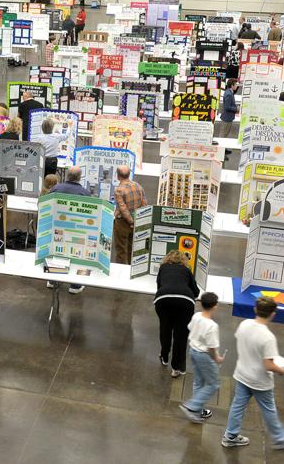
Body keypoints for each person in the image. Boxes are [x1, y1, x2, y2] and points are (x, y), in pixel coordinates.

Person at [222, 297, 284, 450]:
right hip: (260, 382)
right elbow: (268, 365)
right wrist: (282, 370)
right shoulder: (268, 337)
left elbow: (242, 341)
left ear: (255, 309)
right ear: (272, 314)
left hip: (242, 374)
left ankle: (230, 436)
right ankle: (281, 438)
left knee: (237, 406)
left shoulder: (244, 324)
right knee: (269, 410)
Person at [180, 292, 225, 423]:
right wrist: (217, 358)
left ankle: (197, 412)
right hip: (204, 356)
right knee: (213, 383)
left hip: (193, 351)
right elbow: (212, 348)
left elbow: (190, 328)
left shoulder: (196, 316)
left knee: (198, 382)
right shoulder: (212, 326)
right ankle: (192, 406)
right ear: (215, 306)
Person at [154, 250, 200, 378]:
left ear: (167, 259)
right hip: (185, 301)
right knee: (181, 335)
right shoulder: (186, 270)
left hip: (163, 299)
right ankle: (176, 368)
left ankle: (164, 357)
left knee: (165, 328)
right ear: (183, 261)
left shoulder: (163, 268)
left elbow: (159, 286)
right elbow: (196, 291)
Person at [48, 167, 92, 294]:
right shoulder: (85, 193)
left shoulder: (56, 188)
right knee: (77, 255)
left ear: (67, 176)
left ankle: (53, 280)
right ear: (79, 177)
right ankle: (75, 285)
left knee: (57, 252)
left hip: (57, 227)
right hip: (77, 231)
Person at [112, 166, 147, 265]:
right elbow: (144, 203)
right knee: (132, 248)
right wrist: (137, 219)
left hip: (123, 223)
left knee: (121, 249)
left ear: (118, 176)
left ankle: (121, 270)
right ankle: (131, 268)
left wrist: (131, 221)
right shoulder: (138, 186)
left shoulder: (119, 190)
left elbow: (123, 209)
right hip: (137, 220)